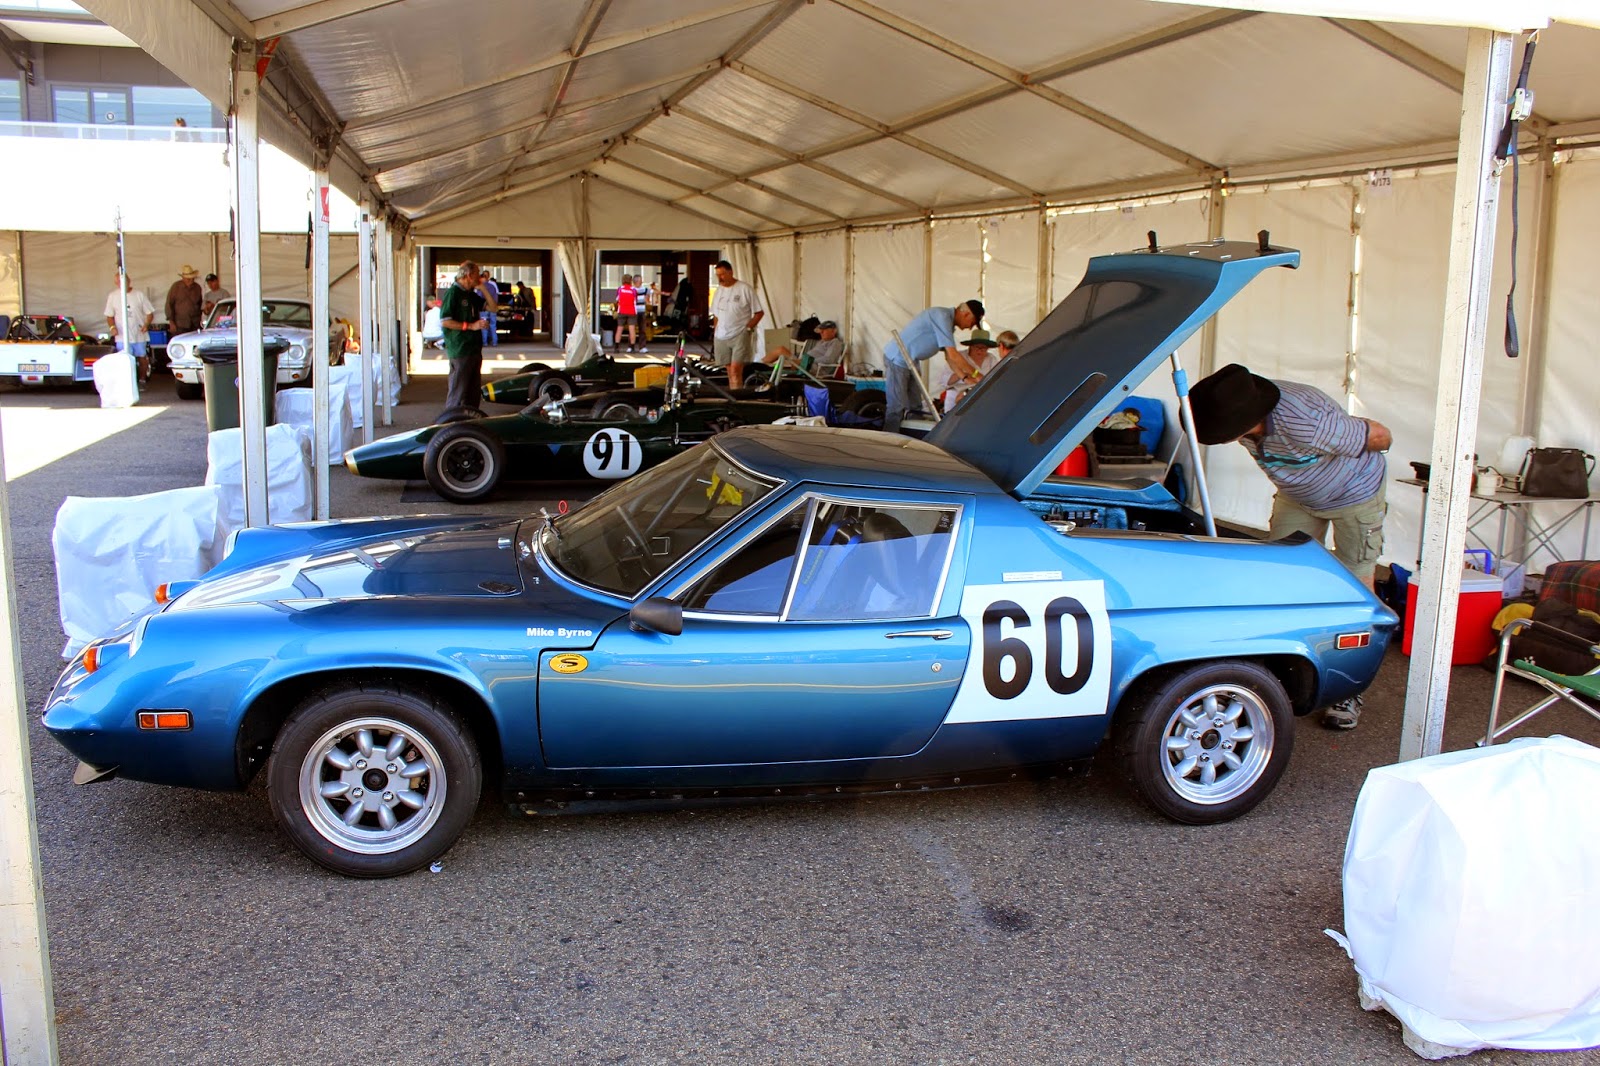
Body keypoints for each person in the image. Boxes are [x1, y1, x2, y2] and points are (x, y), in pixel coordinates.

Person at [1188, 362, 1392, 731]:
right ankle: (1283, 664)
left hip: (1354, 493)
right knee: (1280, 570)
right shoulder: (1241, 414)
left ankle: (1348, 688)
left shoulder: (1306, 422)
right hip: (1299, 497)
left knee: (1355, 582)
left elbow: (1379, 436)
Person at [880, 299, 984, 433]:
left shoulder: (948, 324)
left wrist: (964, 377)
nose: (970, 327)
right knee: (896, 407)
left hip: (911, 361)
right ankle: (889, 442)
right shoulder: (942, 316)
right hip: (898, 358)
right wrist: (976, 375)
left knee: (915, 406)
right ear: (966, 314)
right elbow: (953, 355)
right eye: (973, 323)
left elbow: (948, 356)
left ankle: (912, 439)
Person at [438, 261, 490, 414]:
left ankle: (470, 422)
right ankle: (450, 424)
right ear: (469, 275)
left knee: (473, 393)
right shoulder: (453, 293)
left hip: (474, 349)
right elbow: (445, 321)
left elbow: (493, 307)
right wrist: (470, 326)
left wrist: (484, 289)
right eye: (477, 274)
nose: (479, 277)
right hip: (460, 349)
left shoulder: (471, 295)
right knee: (458, 392)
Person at [710, 260, 763, 389]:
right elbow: (716, 314)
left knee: (735, 370)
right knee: (728, 370)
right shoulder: (719, 291)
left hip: (739, 334)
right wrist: (715, 331)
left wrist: (748, 328)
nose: (720, 278)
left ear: (730, 272)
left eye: (722, 274)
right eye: (717, 275)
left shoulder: (744, 288)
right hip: (721, 335)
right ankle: (732, 394)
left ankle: (737, 398)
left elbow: (759, 312)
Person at [104, 271, 155, 385]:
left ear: (129, 281)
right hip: (122, 335)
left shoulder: (139, 295)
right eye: (118, 282)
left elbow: (150, 313)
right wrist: (112, 327)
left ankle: (142, 379)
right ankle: (127, 382)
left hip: (138, 333)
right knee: (123, 359)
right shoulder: (113, 296)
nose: (121, 284)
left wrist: (146, 325)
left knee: (142, 357)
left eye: (123, 281)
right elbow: (109, 316)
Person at [937, 328, 998, 410]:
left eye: (983, 348)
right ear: (970, 346)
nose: (980, 351)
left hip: (980, 397)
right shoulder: (958, 357)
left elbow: (996, 379)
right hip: (956, 395)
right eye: (977, 347)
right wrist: (961, 374)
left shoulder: (991, 359)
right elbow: (944, 381)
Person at [764, 319, 843, 374]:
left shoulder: (835, 343)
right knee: (780, 350)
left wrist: (807, 361)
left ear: (833, 331)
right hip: (803, 362)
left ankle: (761, 370)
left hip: (811, 367)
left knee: (782, 360)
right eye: (820, 330)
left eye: (824, 330)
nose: (821, 332)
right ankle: (760, 366)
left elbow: (828, 359)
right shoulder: (821, 342)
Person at [165, 264, 204, 336]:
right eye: (188, 279)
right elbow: (169, 305)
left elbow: (200, 304)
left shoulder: (197, 288)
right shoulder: (176, 287)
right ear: (183, 278)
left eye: (192, 278)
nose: (191, 280)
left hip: (195, 323)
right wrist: (171, 322)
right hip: (180, 324)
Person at [614, 273, 643, 353]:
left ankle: (616, 347)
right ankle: (632, 347)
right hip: (632, 311)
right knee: (632, 330)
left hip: (622, 310)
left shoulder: (620, 289)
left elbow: (617, 300)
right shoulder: (633, 290)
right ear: (631, 281)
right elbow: (635, 300)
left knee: (619, 329)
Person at [481, 275, 500, 346]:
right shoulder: (492, 287)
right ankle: (495, 342)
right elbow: (496, 297)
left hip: (484, 309)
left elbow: (479, 298)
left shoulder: (481, 287)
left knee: (484, 325)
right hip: (493, 308)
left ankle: (484, 342)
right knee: (493, 325)